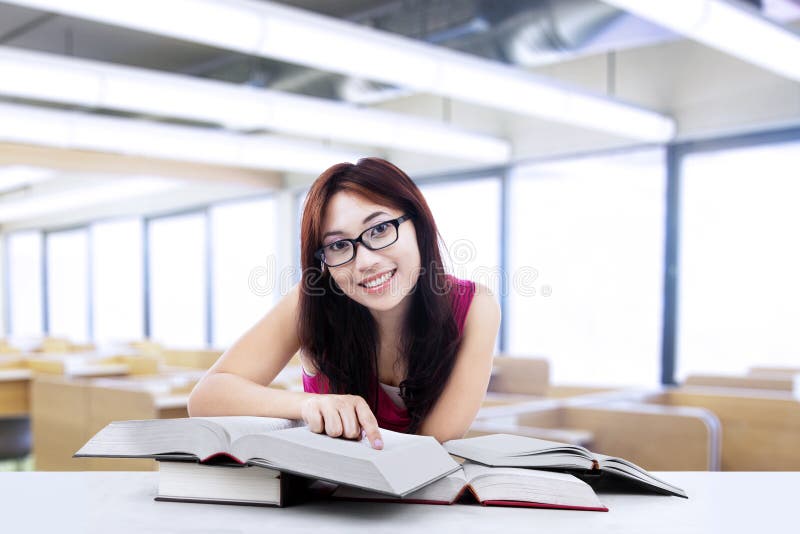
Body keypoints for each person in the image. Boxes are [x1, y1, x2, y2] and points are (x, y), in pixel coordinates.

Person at [188, 157, 501, 450]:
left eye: (379, 229)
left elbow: (429, 448)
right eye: (338, 245)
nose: (364, 261)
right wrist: (308, 405)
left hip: (417, 500)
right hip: (324, 500)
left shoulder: (476, 308)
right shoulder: (312, 299)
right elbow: (206, 397)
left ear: (418, 224)